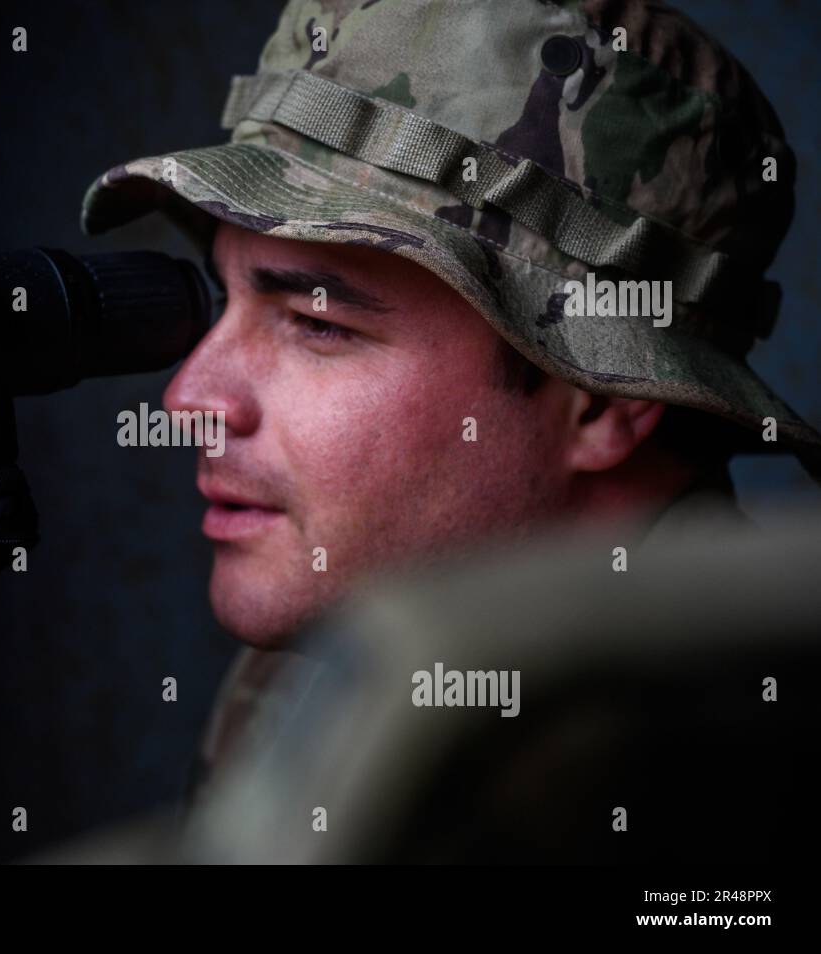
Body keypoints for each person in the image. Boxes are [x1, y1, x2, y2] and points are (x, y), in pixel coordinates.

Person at [77, 0, 821, 794]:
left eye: (315, 326)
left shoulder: (727, 788)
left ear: (602, 398)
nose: (188, 398)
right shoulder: (332, 671)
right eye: (226, 300)